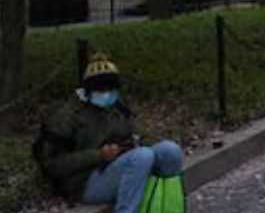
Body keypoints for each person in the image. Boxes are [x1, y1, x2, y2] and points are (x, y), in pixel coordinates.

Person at [35, 53, 184, 213]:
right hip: (85, 182)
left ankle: (167, 207)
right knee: (143, 156)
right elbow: (53, 165)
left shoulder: (117, 109)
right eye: (101, 89)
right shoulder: (67, 117)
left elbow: (132, 138)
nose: (107, 94)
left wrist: (131, 145)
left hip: (117, 167)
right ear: (88, 91)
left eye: (112, 89)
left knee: (170, 150)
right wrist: (99, 155)